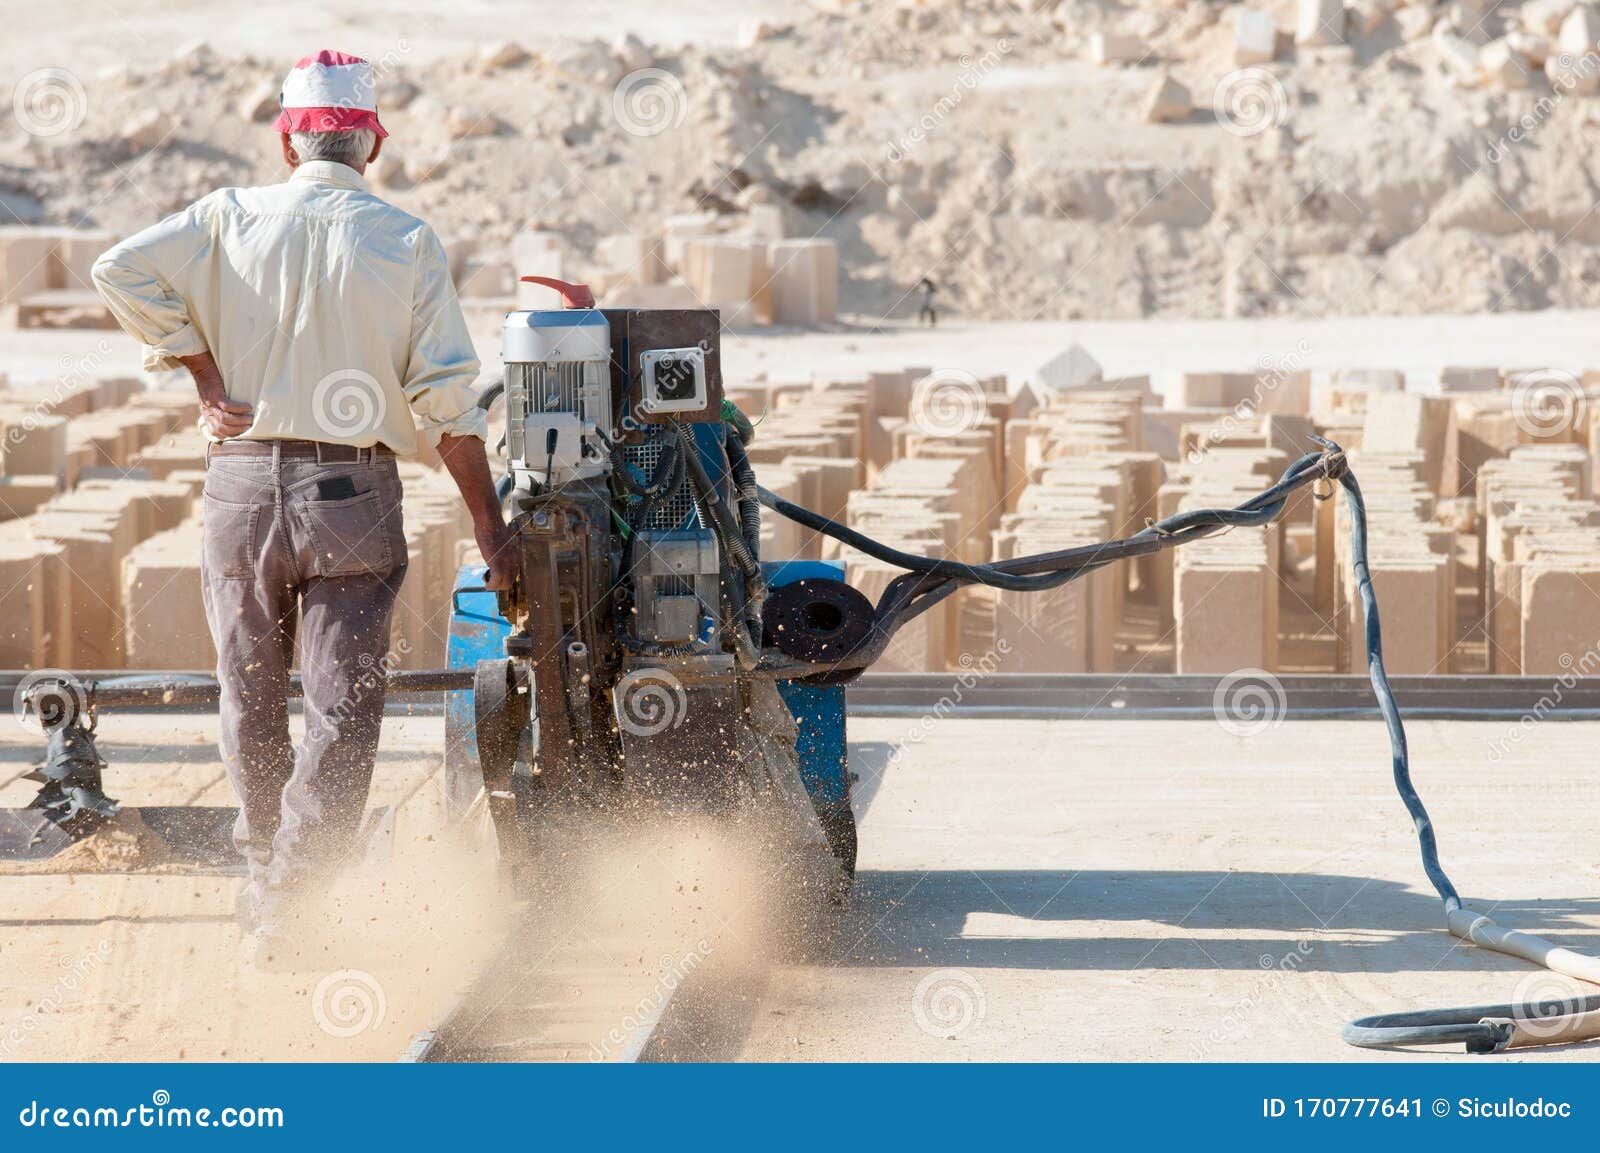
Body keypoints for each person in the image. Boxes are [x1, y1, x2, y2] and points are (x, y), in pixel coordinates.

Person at [91, 49, 518, 960]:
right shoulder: (404, 241)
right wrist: (490, 523)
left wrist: (202, 373)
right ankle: (297, 898)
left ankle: (265, 877)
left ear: (288, 141)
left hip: (240, 487)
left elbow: (118, 268)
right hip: (349, 493)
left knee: (247, 691)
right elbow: (448, 400)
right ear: (372, 144)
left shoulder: (224, 217)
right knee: (341, 704)